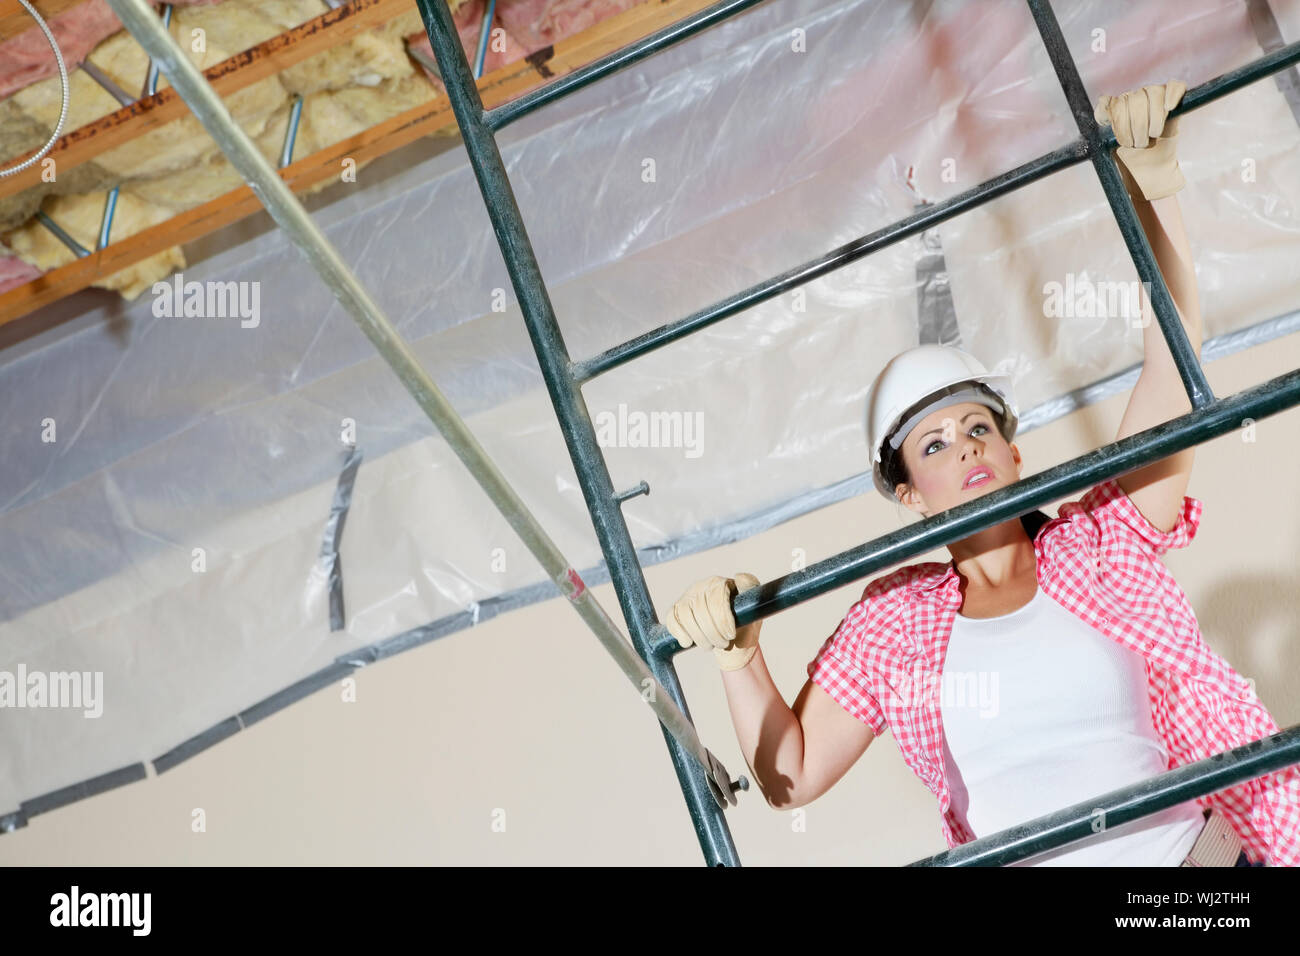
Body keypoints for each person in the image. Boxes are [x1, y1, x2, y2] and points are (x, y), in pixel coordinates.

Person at [663, 81, 1300, 866]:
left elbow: (1175, 361)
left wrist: (1154, 186)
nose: (964, 448)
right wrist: (739, 655)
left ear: (1013, 452)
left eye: (976, 428)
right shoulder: (892, 625)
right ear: (908, 495)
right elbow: (789, 777)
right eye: (932, 447)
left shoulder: (1103, 540)